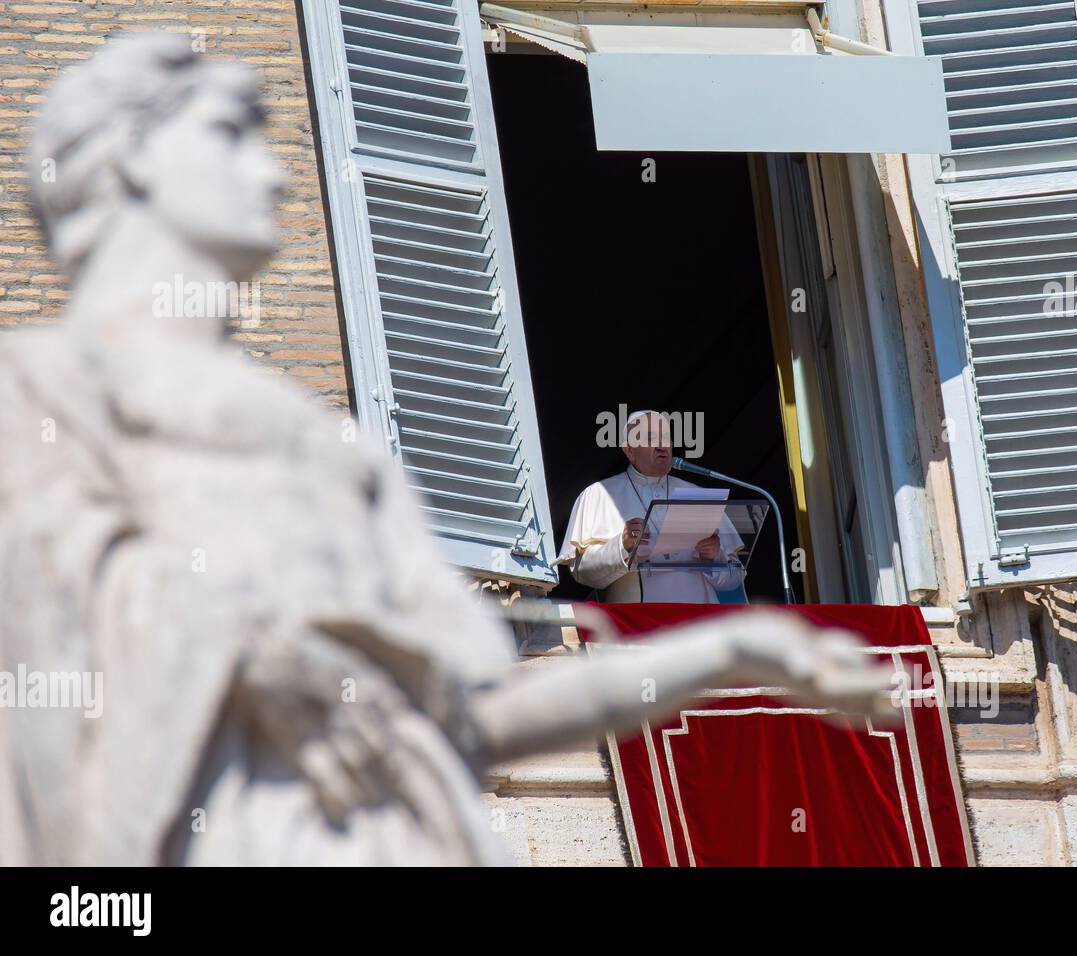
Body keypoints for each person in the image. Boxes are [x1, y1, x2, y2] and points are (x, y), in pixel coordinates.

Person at [0, 33, 892, 866]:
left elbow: (475, 714)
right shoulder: (31, 394)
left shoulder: (334, 457)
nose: (274, 174)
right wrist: (253, 650)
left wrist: (737, 651)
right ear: (129, 158)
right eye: (231, 135)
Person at [559, 410, 746, 602]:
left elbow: (736, 578)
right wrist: (622, 547)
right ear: (629, 450)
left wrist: (713, 558)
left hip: (700, 624)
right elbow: (581, 572)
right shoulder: (599, 494)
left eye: (666, 438)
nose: (661, 446)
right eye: (650, 438)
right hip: (639, 624)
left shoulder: (699, 496)